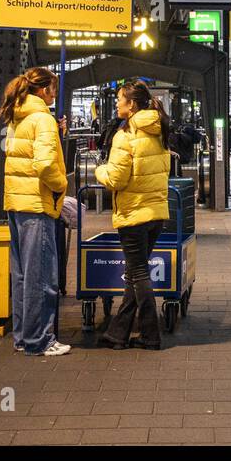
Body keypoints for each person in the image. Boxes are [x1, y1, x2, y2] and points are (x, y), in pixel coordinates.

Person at [0, 66, 71, 357]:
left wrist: (58, 134)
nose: (55, 94)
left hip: (16, 204)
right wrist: (60, 184)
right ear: (43, 91)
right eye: (53, 88)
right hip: (37, 205)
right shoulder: (42, 118)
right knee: (41, 277)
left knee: (21, 277)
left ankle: (23, 337)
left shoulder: (19, 116)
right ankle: (40, 340)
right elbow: (43, 164)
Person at [95, 81, 171, 350]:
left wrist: (99, 171)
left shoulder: (125, 135)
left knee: (138, 273)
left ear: (132, 104)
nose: (117, 103)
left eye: (120, 99)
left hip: (134, 213)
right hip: (156, 214)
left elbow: (115, 178)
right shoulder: (158, 131)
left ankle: (151, 335)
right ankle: (118, 333)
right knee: (134, 273)